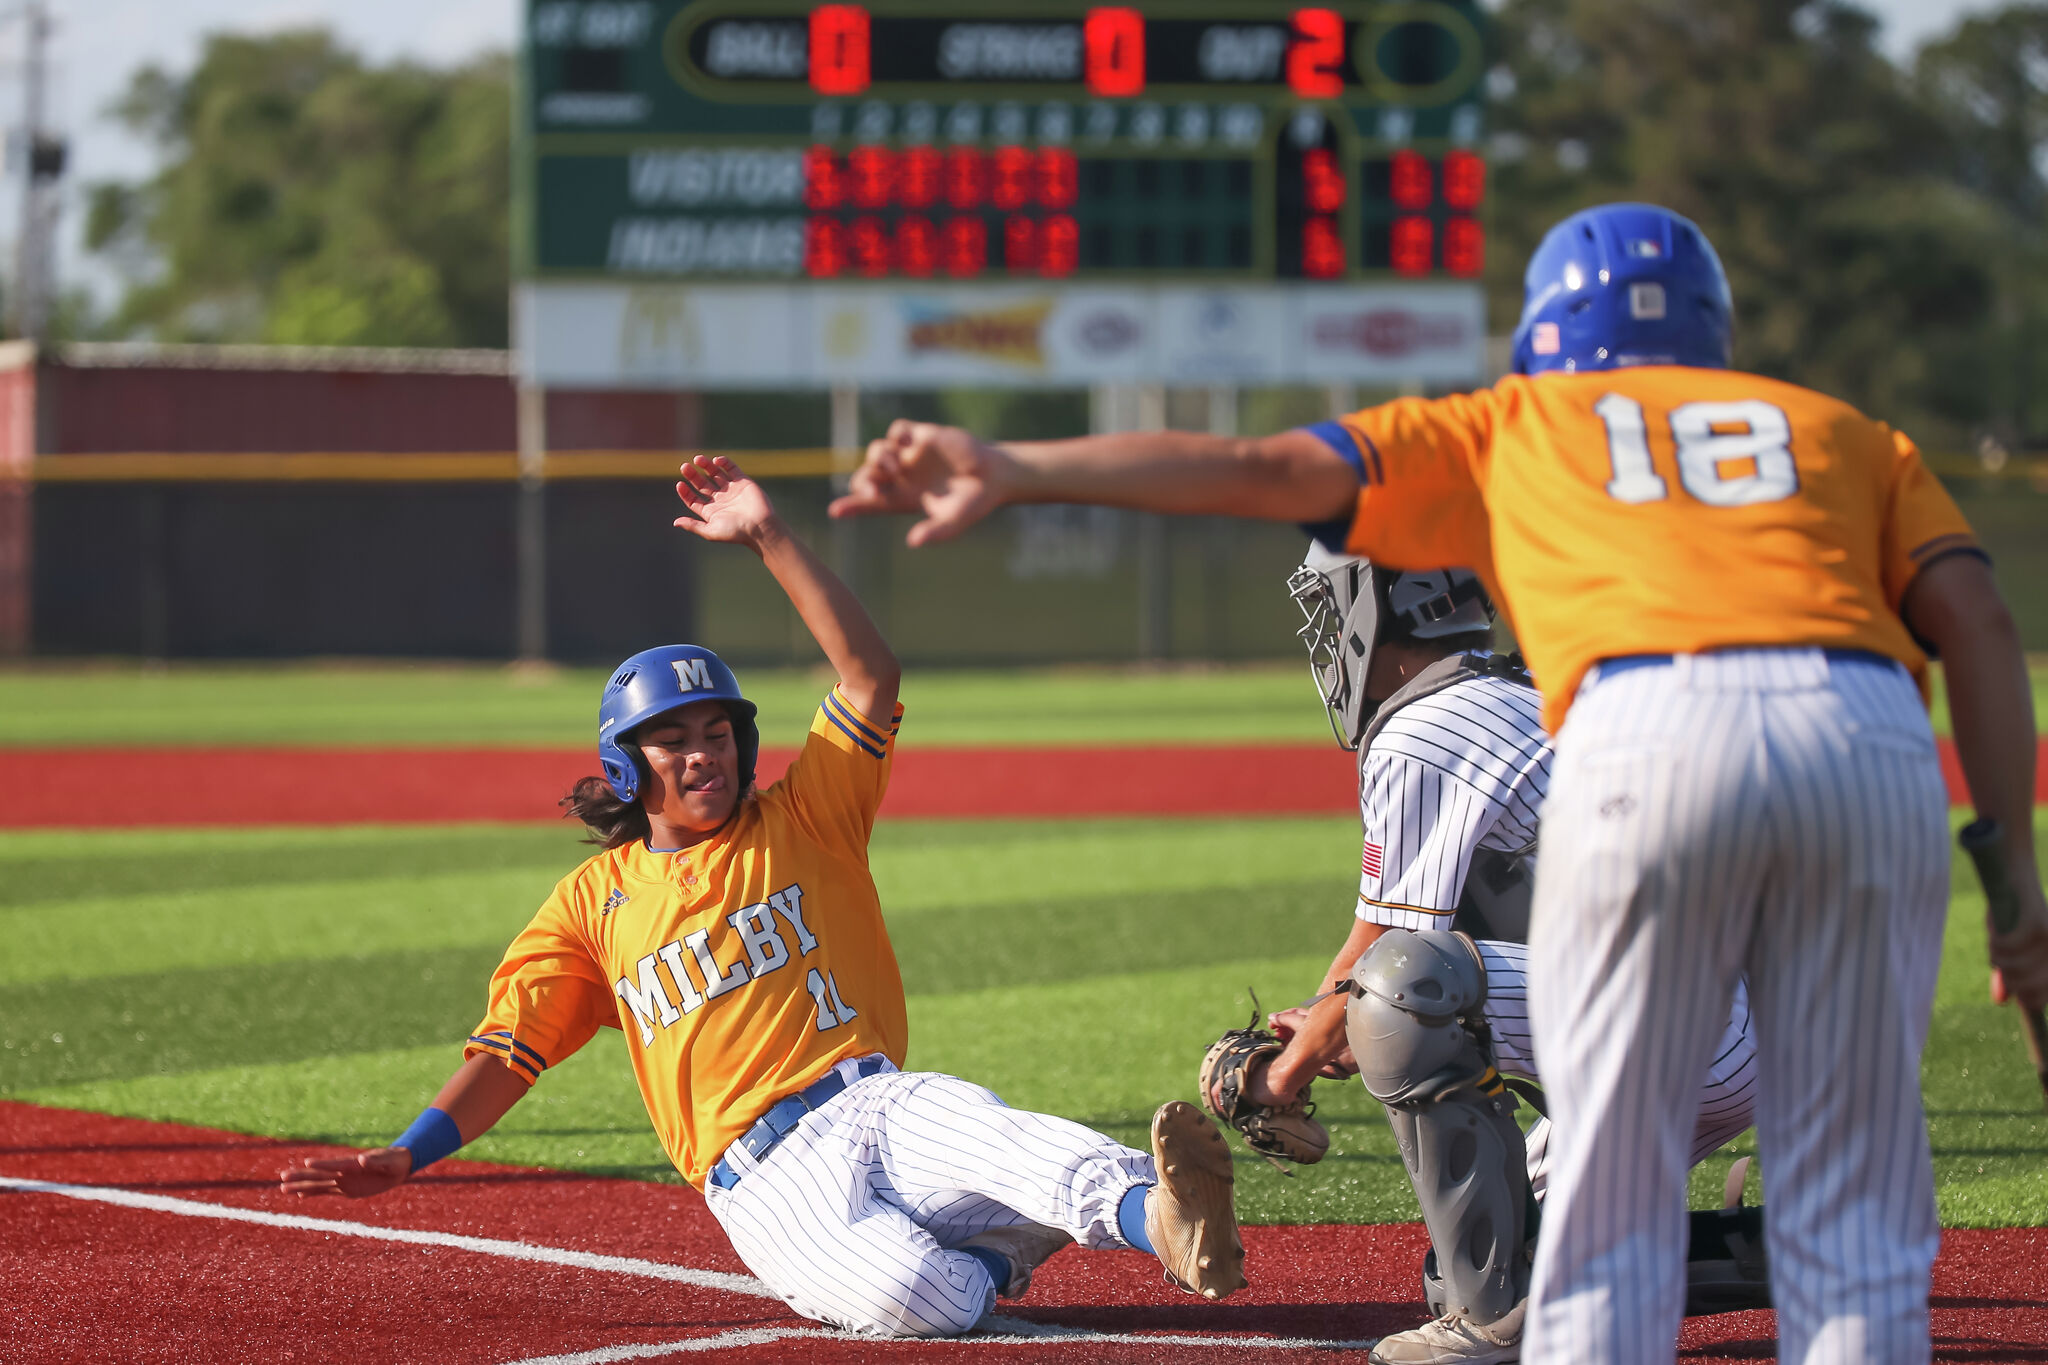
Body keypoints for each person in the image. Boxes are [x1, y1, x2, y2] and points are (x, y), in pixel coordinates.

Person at [827, 203, 2048, 1365]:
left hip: (1656, 735)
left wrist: (1013, 465)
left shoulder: (1517, 421)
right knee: (1855, 1215)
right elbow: (1978, 626)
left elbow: (1252, 466)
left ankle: (1511, 1315)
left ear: (1544, 340)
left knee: (1597, 1206)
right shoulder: (1842, 433)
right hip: (1873, 743)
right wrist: (2012, 889)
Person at [278, 455, 1246, 1339]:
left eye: (717, 731)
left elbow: (869, 676)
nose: (702, 752)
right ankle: (1004, 1251)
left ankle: (1159, 1217)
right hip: (762, 1180)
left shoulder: (805, 816)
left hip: (874, 1102)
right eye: (673, 739)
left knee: (999, 1138)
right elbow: (507, 1055)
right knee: (919, 1302)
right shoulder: (588, 906)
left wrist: (767, 536)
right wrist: (411, 1153)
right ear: (626, 766)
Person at [1225, 544, 1760, 1365]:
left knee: (1399, 997)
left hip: (1675, 1024)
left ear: (1381, 608)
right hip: (1736, 1018)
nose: (1329, 639)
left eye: (1335, 609)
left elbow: (1390, 959)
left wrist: (1278, 1080)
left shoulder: (1424, 729)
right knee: (1492, 1252)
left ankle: (1491, 1329)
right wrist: (1327, 1023)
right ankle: (1772, 1249)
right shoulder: (1522, 693)